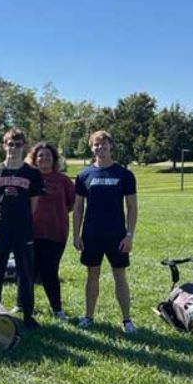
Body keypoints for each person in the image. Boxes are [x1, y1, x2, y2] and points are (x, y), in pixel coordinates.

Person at [72, 130, 139, 333]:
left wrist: (129, 235)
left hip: (117, 235)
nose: (100, 148)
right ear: (91, 148)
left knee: (120, 275)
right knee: (92, 274)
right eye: (95, 145)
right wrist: (76, 235)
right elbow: (77, 208)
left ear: (111, 146)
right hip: (91, 235)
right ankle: (88, 317)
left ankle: (127, 320)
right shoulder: (84, 175)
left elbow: (132, 207)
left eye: (103, 144)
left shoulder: (124, 174)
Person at [0, 129, 44, 329]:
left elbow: (34, 204)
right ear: (4, 145)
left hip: (23, 228)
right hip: (1, 227)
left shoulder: (32, 173)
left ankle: (27, 314)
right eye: (10, 144)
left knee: (25, 271)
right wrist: (0, 217)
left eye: (18, 144)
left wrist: (22, 218)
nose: (14, 148)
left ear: (23, 147)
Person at [28, 142, 75, 321]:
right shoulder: (29, 178)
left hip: (56, 232)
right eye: (40, 155)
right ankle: (25, 306)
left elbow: (71, 204)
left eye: (48, 155)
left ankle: (57, 309)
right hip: (31, 233)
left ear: (54, 159)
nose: (44, 158)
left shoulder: (63, 180)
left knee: (50, 271)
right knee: (29, 272)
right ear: (34, 159)